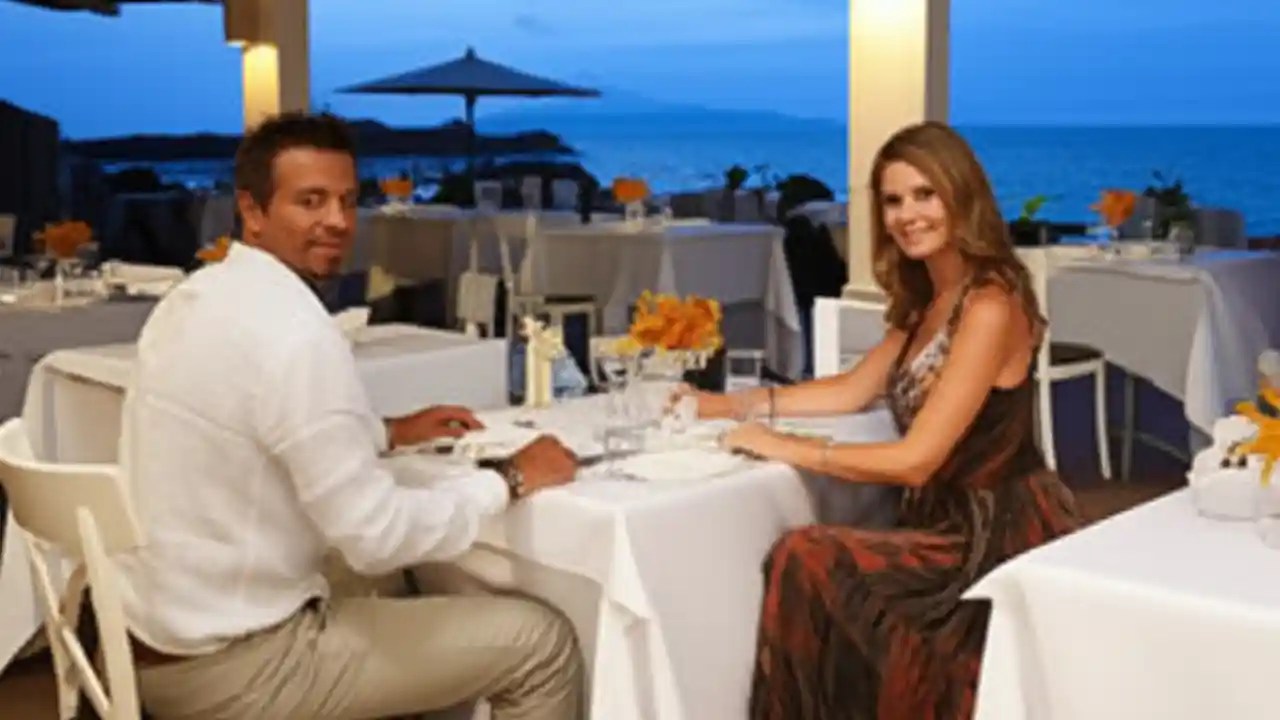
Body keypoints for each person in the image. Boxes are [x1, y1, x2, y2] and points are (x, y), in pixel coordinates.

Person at [115, 112, 584, 720]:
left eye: (347, 201)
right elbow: (375, 537)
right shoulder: (295, 334)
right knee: (541, 643)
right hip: (240, 671)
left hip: (150, 642)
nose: (337, 221)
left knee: (409, 587)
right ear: (252, 210)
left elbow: (258, 425)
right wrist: (510, 479)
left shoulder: (197, 297)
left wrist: (386, 432)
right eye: (310, 201)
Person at [679, 121, 1080, 719]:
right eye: (893, 201)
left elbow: (916, 460)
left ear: (961, 195)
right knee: (810, 560)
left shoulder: (991, 304)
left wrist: (784, 446)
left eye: (925, 194)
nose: (907, 215)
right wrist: (727, 405)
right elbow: (851, 389)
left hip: (990, 533)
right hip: (937, 517)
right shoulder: (929, 301)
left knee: (806, 557)